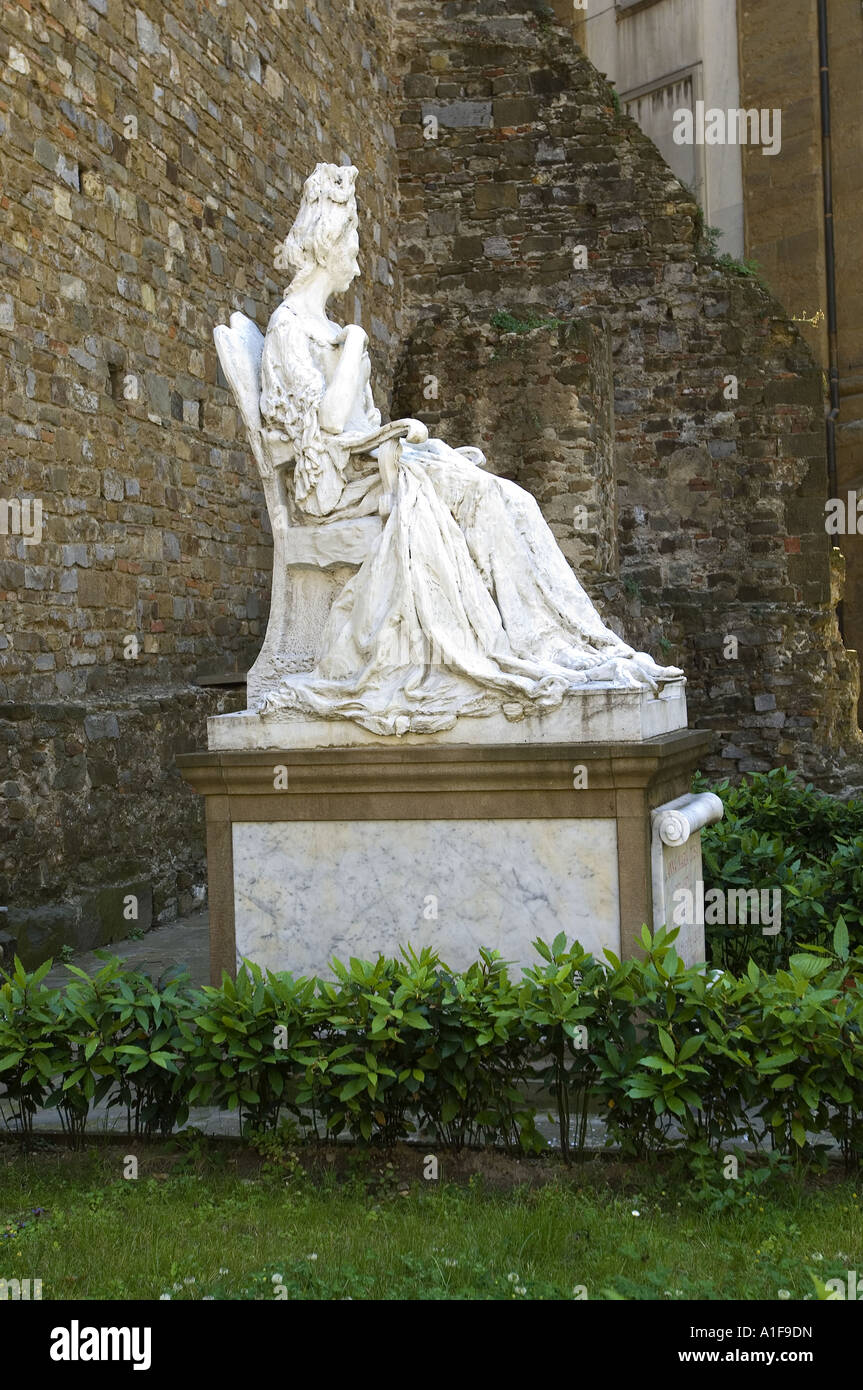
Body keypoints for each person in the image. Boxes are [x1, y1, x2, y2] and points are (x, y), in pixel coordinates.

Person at [257, 163, 683, 736]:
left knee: (510, 497)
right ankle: (517, 646)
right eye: (353, 245)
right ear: (330, 246)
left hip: (371, 466)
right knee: (477, 492)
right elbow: (329, 425)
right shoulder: (290, 328)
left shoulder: (322, 325)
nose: (358, 258)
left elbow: (351, 424)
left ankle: (556, 641)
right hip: (338, 487)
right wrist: (357, 345)